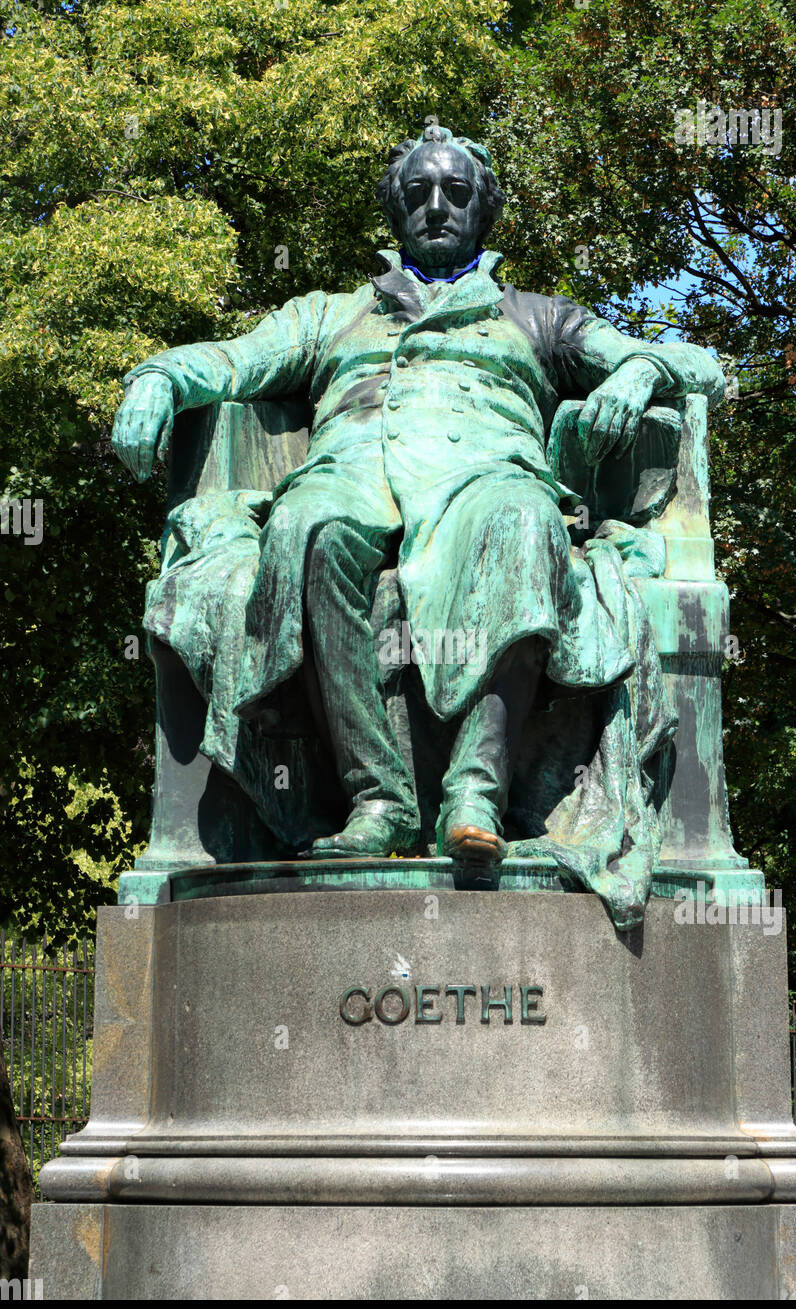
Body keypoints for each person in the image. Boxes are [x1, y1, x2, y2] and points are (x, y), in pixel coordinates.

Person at [112, 120, 724, 871]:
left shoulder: (537, 318)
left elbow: (699, 366)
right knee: (306, 527)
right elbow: (232, 361)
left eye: (456, 191)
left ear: (482, 210)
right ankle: (379, 798)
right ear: (396, 212)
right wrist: (157, 379)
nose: (437, 205)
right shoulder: (331, 314)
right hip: (352, 477)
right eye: (418, 192)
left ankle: (477, 794)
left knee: (525, 522)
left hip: (485, 482)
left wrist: (638, 372)